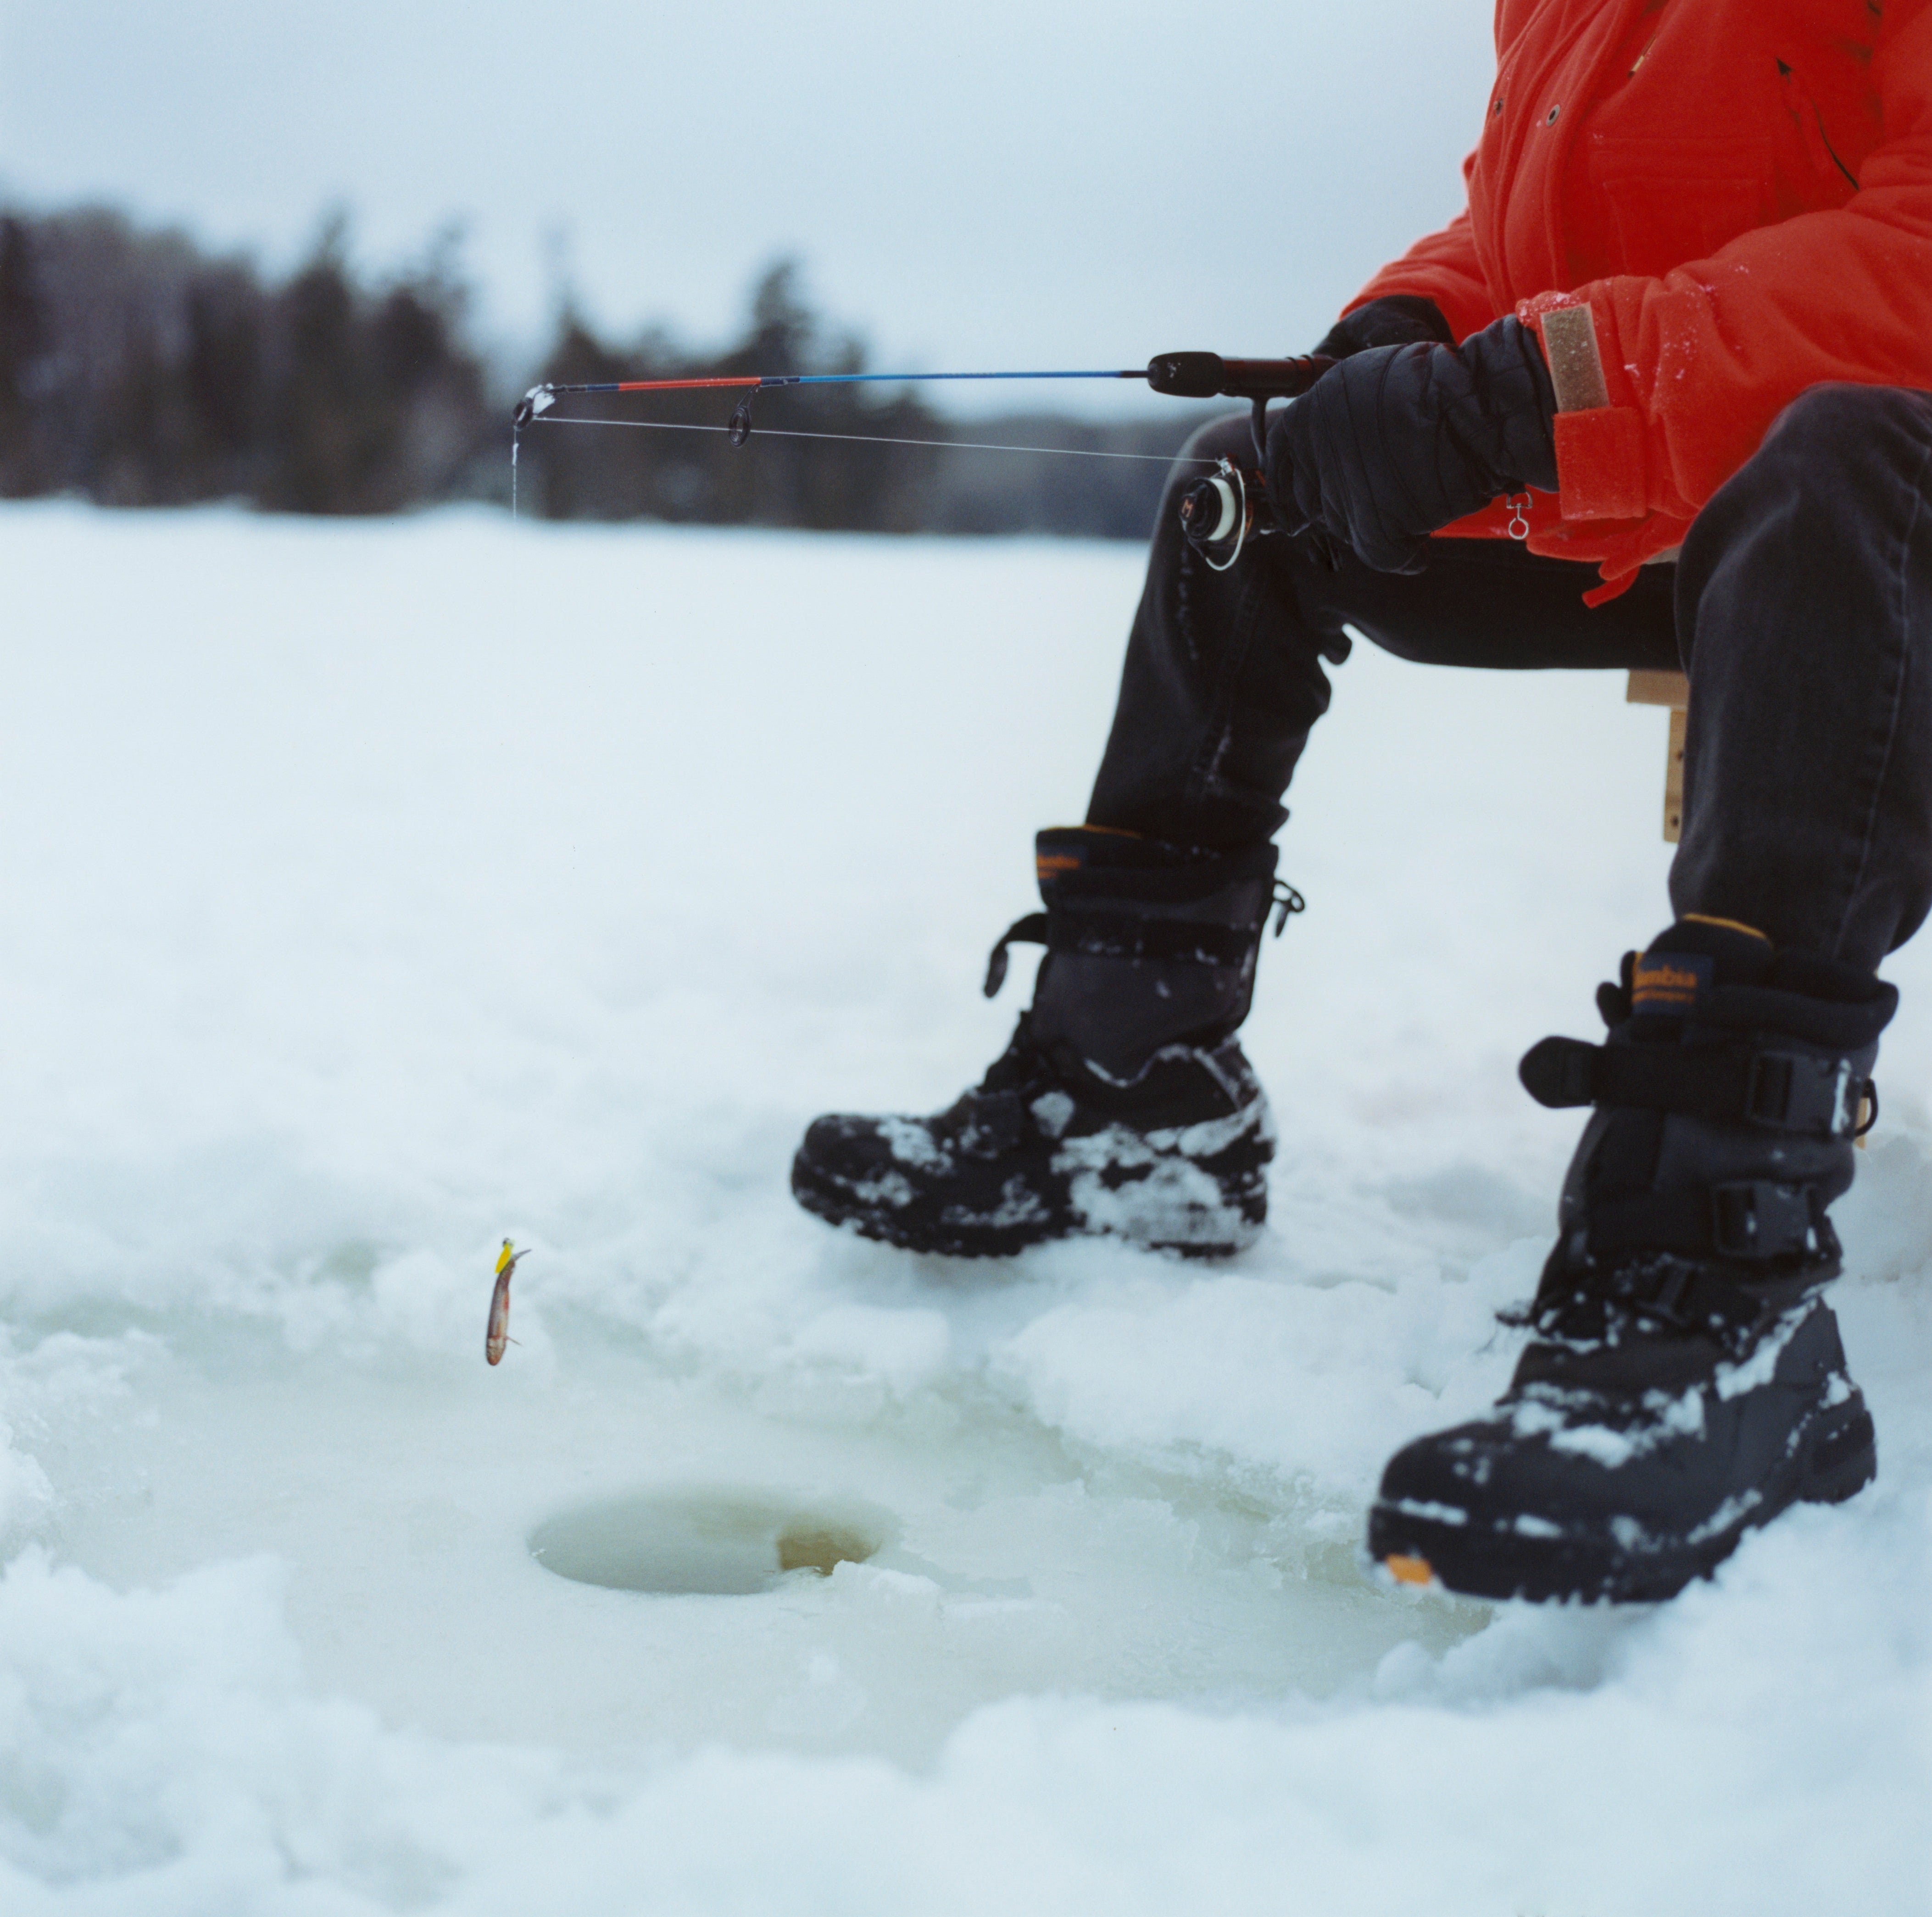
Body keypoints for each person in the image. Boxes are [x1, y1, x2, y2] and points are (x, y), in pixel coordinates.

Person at [791, 0, 1932, 1604]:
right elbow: (1547, 229)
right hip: (1709, 454)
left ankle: (1720, 1279)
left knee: (1835, 475)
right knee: (1250, 489)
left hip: (1873, 477)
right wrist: (1405, 334)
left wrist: (1531, 388)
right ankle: (1136, 1089)